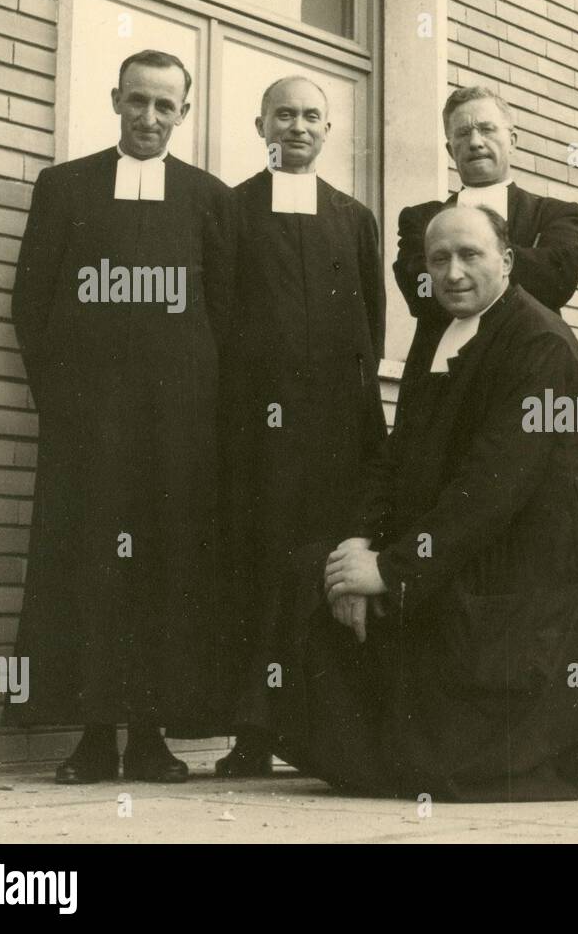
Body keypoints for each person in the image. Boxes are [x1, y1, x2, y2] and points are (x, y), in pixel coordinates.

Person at [265, 205, 578, 800]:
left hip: (523, 580)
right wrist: (359, 545)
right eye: (439, 258)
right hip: (450, 561)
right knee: (311, 583)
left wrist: (389, 573)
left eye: (470, 255)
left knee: (460, 770)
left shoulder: (540, 341)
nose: (453, 271)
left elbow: (493, 488)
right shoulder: (437, 331)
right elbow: (396, 457)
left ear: (507, 260)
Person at [6, 50, 236, 784]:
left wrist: (200, 409)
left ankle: (151, 737)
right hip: (89, 428)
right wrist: (68, 404)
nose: (149, 118)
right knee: (90, 569)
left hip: (179, 433)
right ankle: (93, 736)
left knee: (168, 568)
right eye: (137, 101)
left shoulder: (209, 198)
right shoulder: (64, 186)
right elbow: (30, 304)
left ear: (184, 114)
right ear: (114, 100)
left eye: (165, 106)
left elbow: (225, 315)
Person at [215, 76, 387, 777]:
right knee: (257, 570)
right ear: (261, 123)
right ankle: (254, 731)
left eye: (311, 115)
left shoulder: (354, 217)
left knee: (329, 568)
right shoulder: (231, 210)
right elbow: (222, 319)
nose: (297, 127)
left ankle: (327, 729)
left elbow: (370, 328)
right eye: (283, 115)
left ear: (328, 129)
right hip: (258, 436)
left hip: (341, 435)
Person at [393, 86, 578, 319]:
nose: (475, 142)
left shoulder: (553, 214)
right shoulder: (421, 219)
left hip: (526, 351)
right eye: (463, 133)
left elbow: (555, 284)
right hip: (441, 350)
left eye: (486, 129)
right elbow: (420, 292)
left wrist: (455, 277)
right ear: (450, 150)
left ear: (512, 141)